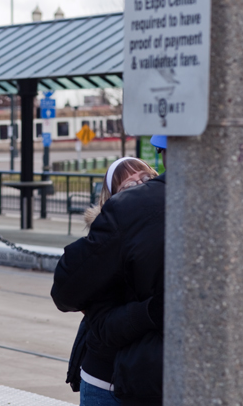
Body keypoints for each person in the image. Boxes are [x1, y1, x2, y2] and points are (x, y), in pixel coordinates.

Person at [52, 142, 167, 405]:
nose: (140, 184)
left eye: (146, 177)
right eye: (128, 185)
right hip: (108, 381)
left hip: (152, 380)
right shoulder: (105, 245)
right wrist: (153, 310)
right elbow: (102, 323)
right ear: (112, 200)